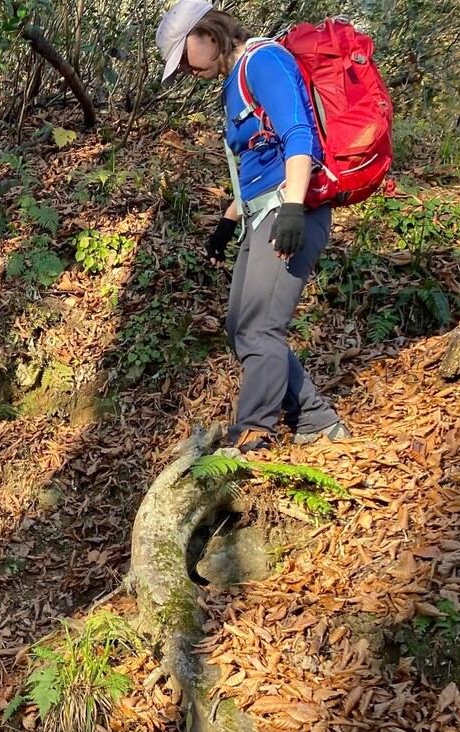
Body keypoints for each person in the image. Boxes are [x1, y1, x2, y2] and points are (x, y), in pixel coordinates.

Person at [156, 0, 349, 452]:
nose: (185, 70)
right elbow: (258, 164)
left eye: (184, 57)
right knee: (239, 327)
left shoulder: (263, 61)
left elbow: (298, 133)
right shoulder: (234, 83)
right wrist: (226, 225)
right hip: (261, 211)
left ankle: (254, 433)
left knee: (261, 327)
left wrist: (294, 208)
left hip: (289, 209)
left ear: (207, 34)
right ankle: (315, 419)